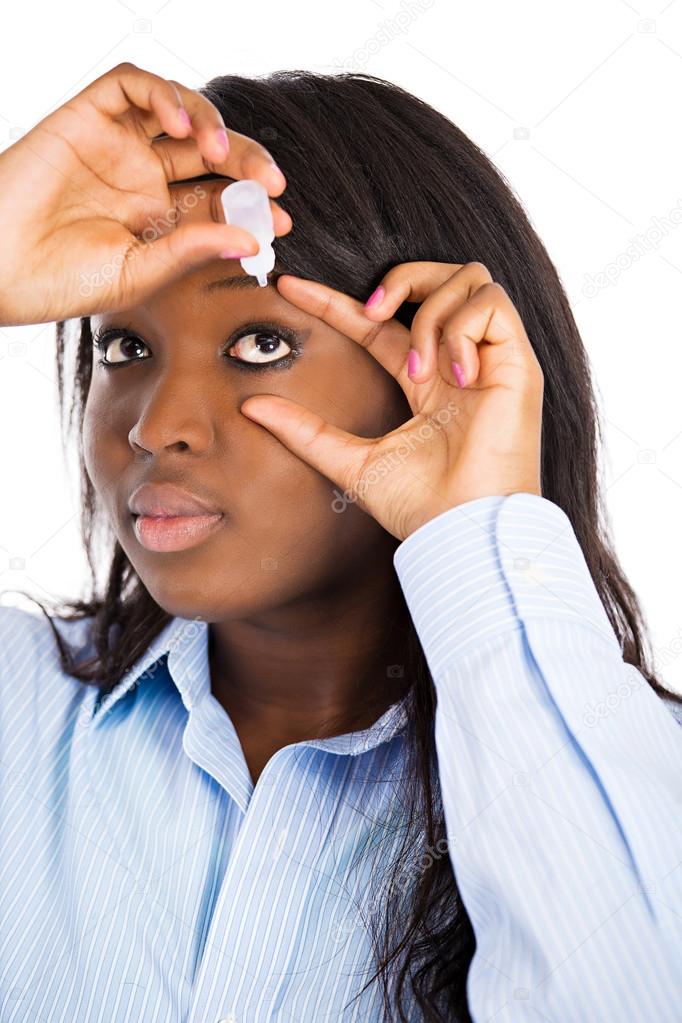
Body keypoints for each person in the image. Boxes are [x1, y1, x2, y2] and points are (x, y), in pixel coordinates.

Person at [0, 61, 680, 1023]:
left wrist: (481, 528)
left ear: (430, 376)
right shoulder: (17, 708)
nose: (157, 426)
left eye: (260, 345)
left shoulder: (643, 783)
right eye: (125, 348)